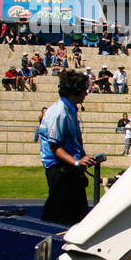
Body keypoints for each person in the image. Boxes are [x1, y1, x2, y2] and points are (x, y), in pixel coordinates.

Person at [39, 70, 96, 225]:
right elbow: (55, 148)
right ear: (76, 90)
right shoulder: (60, 113)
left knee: (78, 216)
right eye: (85, 89)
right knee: (60, 218)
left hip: (69, 170)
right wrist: (76, 162)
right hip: (60, 171)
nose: (86, 93)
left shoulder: (69, 110)